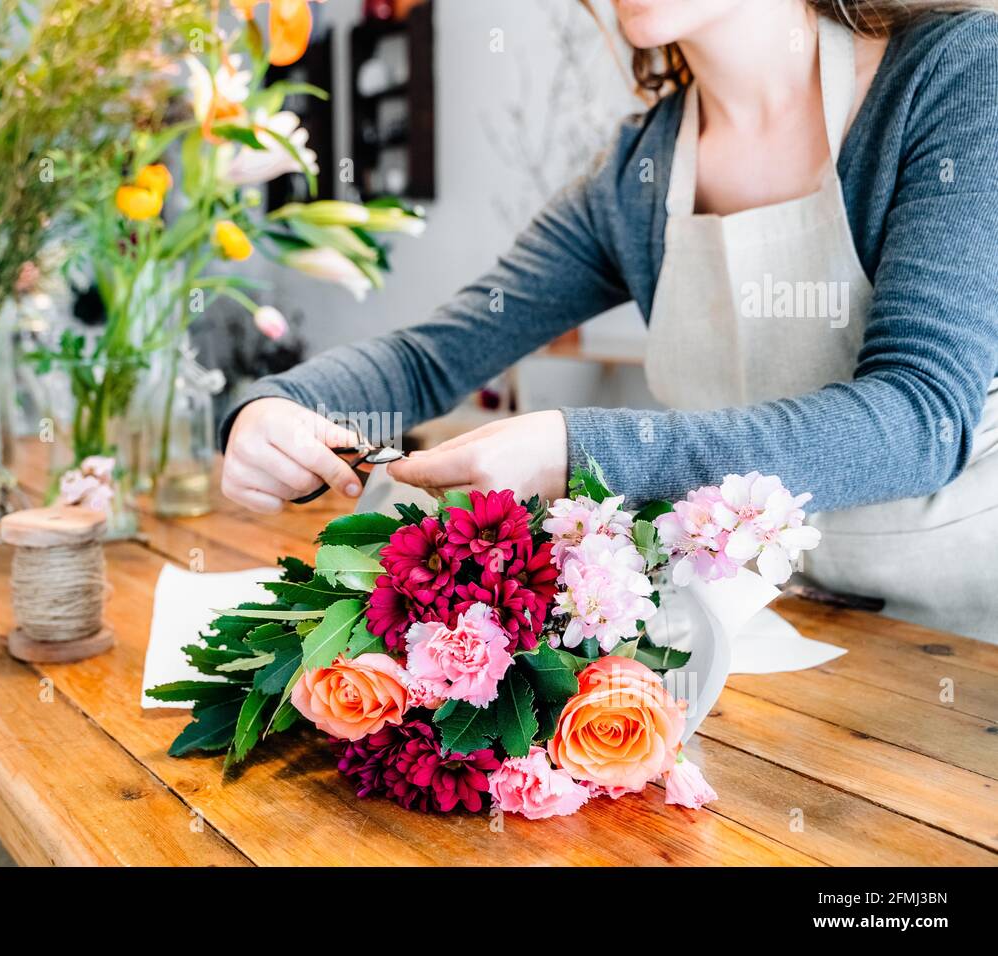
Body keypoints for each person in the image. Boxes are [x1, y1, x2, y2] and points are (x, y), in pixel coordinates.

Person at [218, 0, 998, 642]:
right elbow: (432, 359)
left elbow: (920, 419)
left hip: (957, 644)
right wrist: (282, 406)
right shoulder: (636, 177)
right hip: (768, 629)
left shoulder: (960, 71)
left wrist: (584, 451)